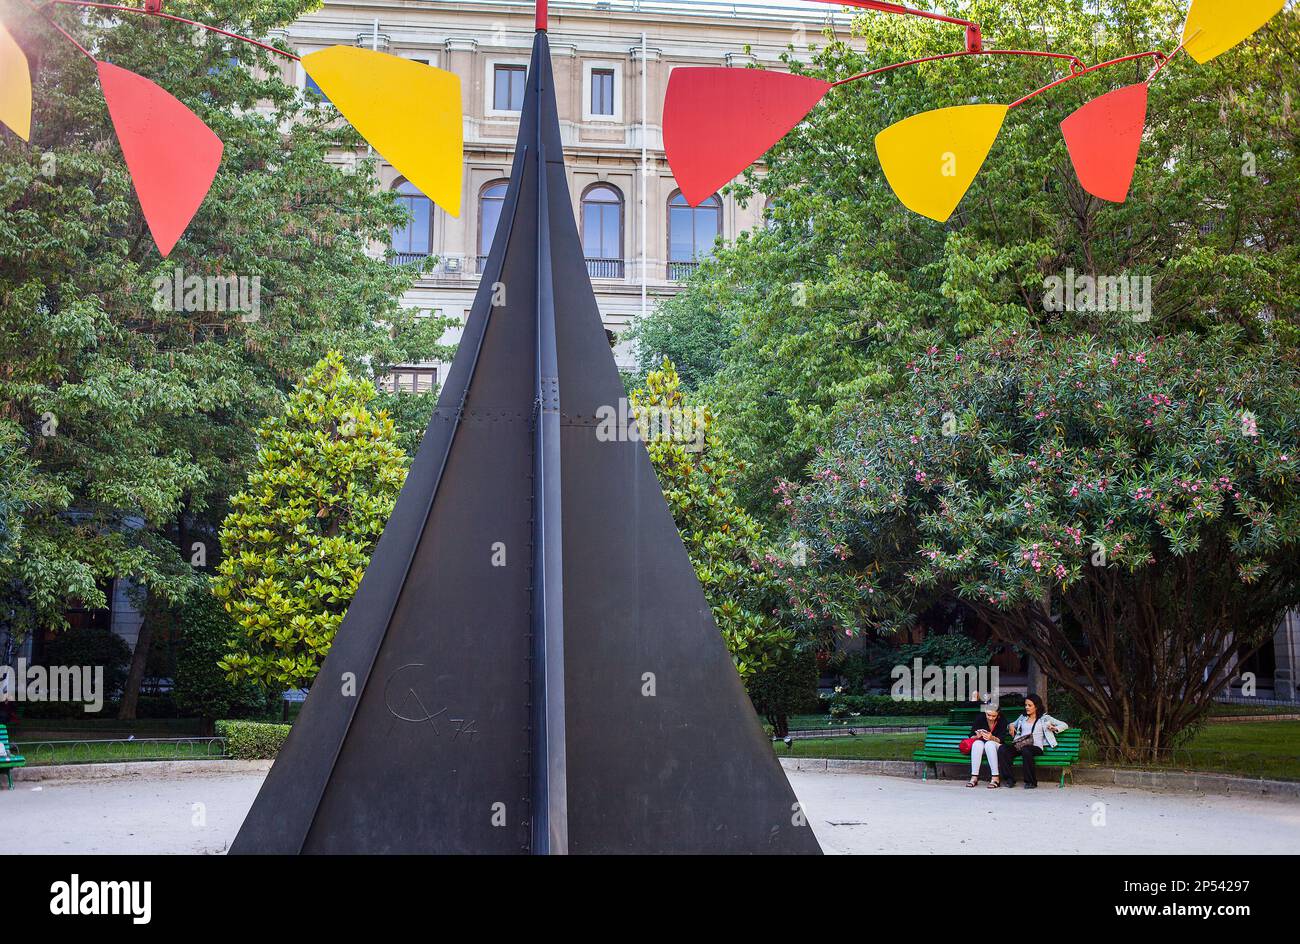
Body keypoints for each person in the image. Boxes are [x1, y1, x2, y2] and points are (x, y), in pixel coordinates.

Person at [998, 692, 1068, 789]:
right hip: (1020, 745)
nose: (1027, 707)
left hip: (1036, 748)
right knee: (1002, 749)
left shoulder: (1045, 719)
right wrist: (1011, 726)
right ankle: (1009, 780)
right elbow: (1012, 724)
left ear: (1036, 706)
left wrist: (1054, 728)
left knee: (1026, 750)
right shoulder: (1023, 717)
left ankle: (1031, 782)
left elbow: (1064, 724)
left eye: (1030, 705)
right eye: (1026, 705)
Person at [966, 703, 1009, 788]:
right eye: (988, 715)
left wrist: (992, 737)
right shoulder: (980, 718)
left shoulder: (1002, 720)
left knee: (989, 744)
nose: (990, 718)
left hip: (996, 746)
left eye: (994, 716)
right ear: (985, 712)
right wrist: (976, 736)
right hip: (982, 746)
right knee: (976, 744)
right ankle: (974, 777)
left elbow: (1001, 739)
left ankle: (995, 778)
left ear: (998, 714)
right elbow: (971, 735)